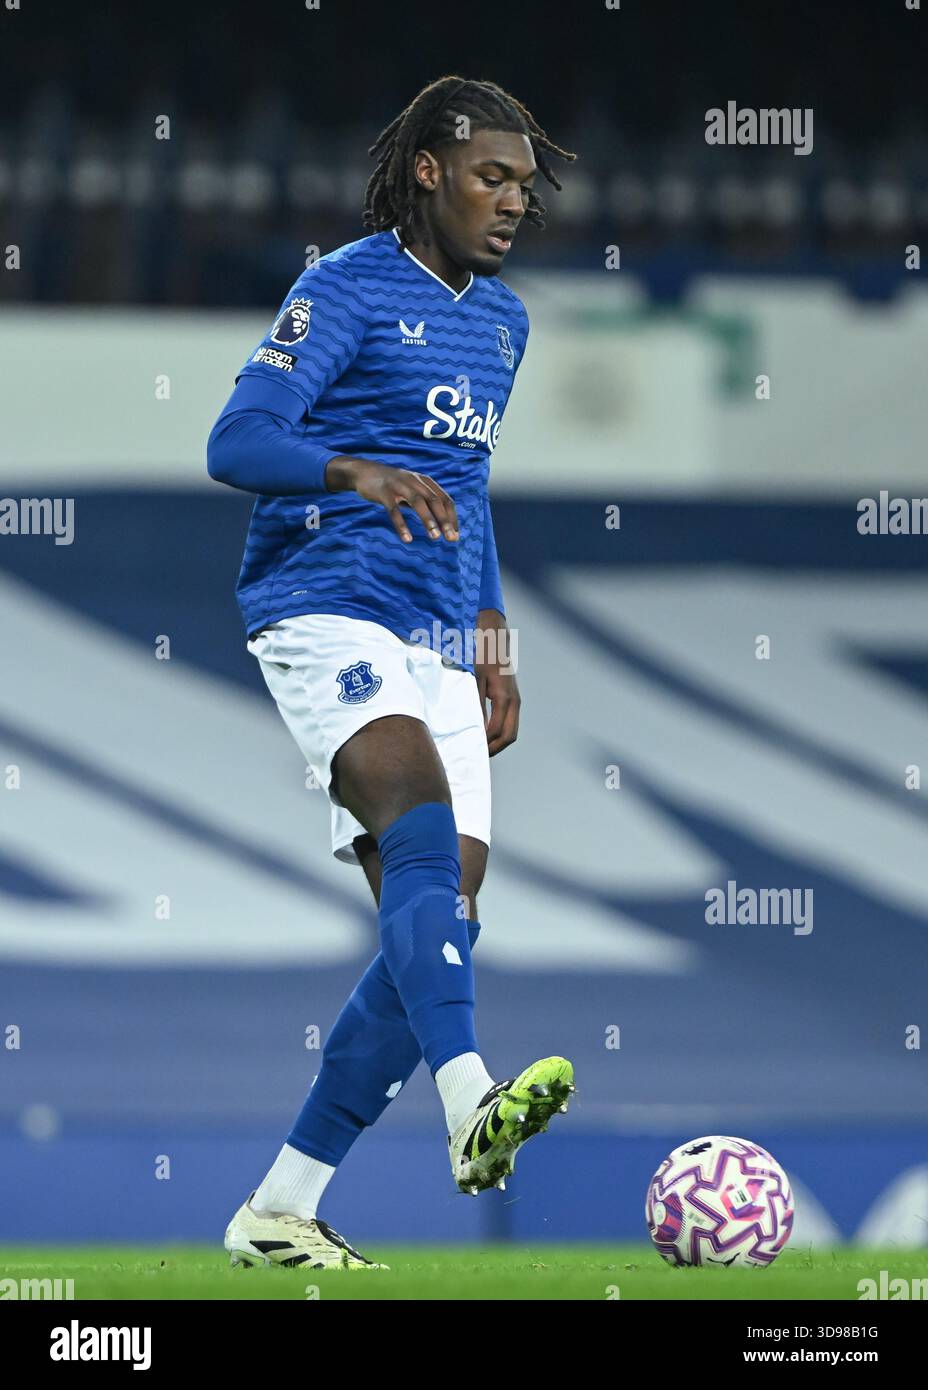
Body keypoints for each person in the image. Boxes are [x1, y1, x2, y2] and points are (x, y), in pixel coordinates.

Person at [208, 75, 577, 1271]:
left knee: (439, 927)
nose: (513, 201)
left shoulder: (503, 323)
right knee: (415, 827)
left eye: (524, 184)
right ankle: (474, 1097)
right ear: (428, 170)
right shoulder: (344, 286)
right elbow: (235, 441)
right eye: (491, 177)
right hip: (322, 604)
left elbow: (467, 488)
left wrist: (489, 629)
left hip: (435, 630)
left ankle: (280, 1205)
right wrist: (352, 471)